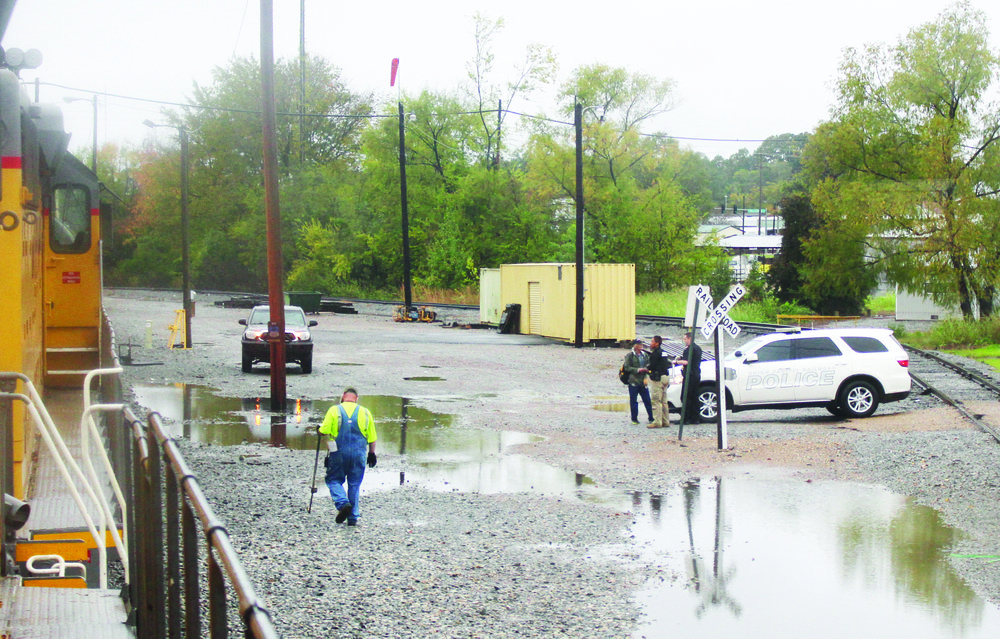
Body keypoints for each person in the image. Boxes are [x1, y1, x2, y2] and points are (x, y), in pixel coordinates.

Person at [319, 387, 377, 526]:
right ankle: (352, 518)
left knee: (333, 480)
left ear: (343, 396)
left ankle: (343, 503)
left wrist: (319, 430)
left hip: (338, 453)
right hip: (359, 454)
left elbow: (324, 431)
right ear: (356, 398)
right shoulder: (365, 412)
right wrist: (372, 454)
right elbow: (372, 437)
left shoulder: (334, 410)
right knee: (354, 484)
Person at [623, 339, 654, 425]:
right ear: (635, 346)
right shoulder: (630, 355)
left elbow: (648, 364)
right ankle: (634, 419)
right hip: (633, 381)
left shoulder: (645, 355)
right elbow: (627, 367)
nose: (641, 345)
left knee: (647, 400)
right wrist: (637, 370)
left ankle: (651, 417)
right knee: (634, 401)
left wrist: (647, 371)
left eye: (641, 344)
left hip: (643, 381)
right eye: (639, 344)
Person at [675, 332, 703, 424]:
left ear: (689, 338)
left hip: (689, 375)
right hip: (696, 374)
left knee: (686, 397)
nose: (684, 341)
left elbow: (686, 362)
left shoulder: (689, 349)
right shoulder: (698, 348)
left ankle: (685, 418)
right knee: (695, 396)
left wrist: (676, 362)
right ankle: (695, 418)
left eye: (685, 339)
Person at [646, 335, 670, 428]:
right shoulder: (664, 353)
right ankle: (665, 421)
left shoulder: (655, 354)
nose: (650, 343)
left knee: (656, 400)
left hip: (658, 378)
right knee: (664, 401)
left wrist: (647, 368)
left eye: (652, 341)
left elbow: (652, 366)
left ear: (657, 343)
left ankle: (657, 422)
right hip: (666, 377)